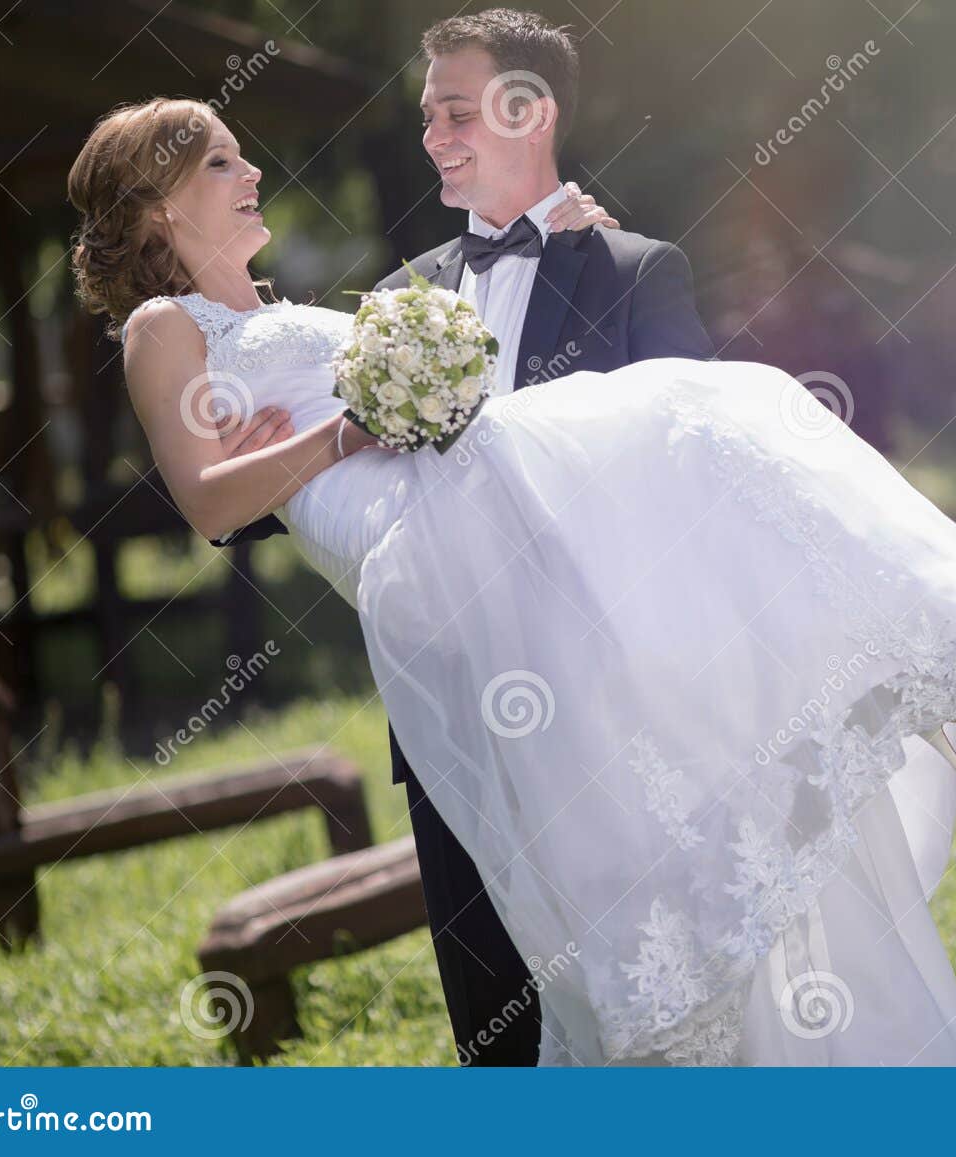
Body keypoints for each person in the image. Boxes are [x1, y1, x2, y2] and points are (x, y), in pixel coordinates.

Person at [69, 87, 956, 1065]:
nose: (251, 169)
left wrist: (540, 250)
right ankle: (954, 671)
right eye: (219, 159)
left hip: (459, 495)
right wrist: (343, 429)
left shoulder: (283, 311)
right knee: (700, 420)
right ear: (159, 204)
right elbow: (207, 499)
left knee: (717, 455)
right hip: (424, 542)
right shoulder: (164, 328)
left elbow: (404, 403)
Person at [211, 9, 716, 1066]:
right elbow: (291, 492)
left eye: (456, 111)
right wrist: (266, 449)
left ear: (529, 109)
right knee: (495, 1021)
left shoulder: (633, 272)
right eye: (427, 113)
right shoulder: (396, 300)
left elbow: (694, 471)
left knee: (652, 1003)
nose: (434, 135)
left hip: (603, 700)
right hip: (446, 708)